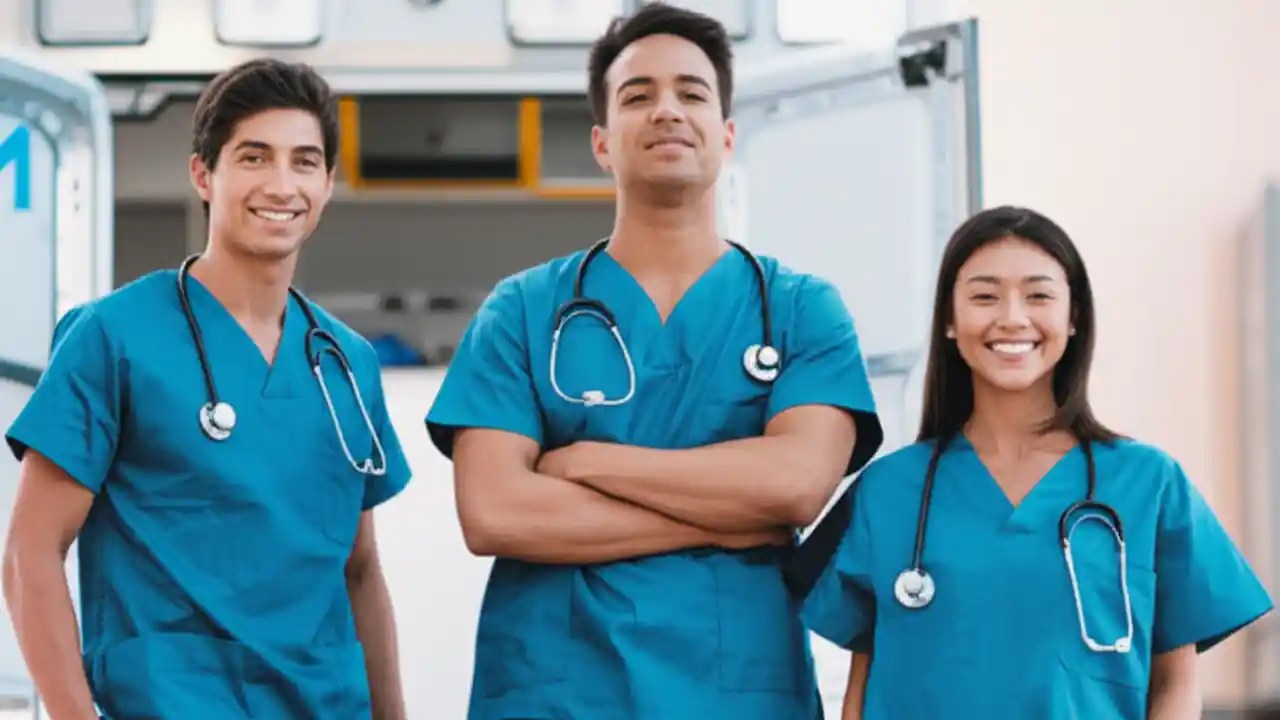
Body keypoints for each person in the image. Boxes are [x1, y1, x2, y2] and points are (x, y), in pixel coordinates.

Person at [424, 3, 883, 719]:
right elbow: (495, 511)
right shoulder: (521, 311)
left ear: (727, 134)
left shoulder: (799, 310)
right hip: (561, 694)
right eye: (639, 95)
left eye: (692, 93)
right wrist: (729, 517)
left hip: (736, 694)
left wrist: (586, 463)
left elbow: (794, 487)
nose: (667, 110)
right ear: (603, 143)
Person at [2, 58, 413, 719]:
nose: (282, 184)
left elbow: (359, 569)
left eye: (304, 162)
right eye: (254, 157)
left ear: (328, 183)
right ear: (203, 173)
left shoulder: (347, 362)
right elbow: (30, 554)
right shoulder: (113, 338)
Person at [801, 205, 1274, 719]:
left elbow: (1175, 688)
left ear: (1073, 318)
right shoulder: (890, 490)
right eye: (984, 296)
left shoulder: (1148, 483)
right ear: (949, 322)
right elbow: (862, 692)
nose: (1012, 317)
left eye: (1038, 295)